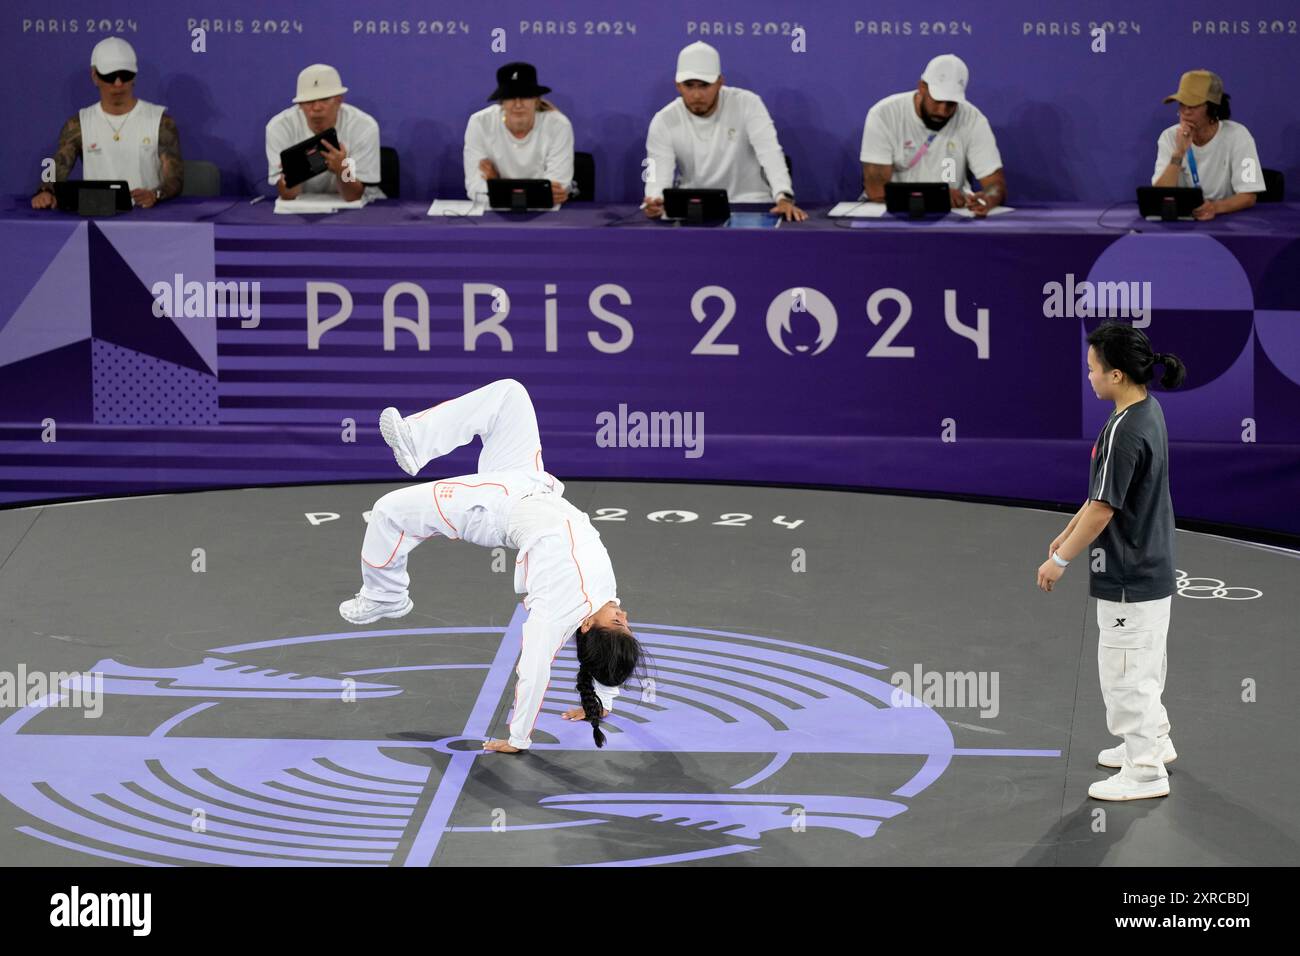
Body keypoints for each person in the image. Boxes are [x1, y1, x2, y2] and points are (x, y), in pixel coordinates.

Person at [338, 379, 648, 753]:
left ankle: (385, 595)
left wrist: (518, 739)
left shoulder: (555, 613)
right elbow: (611, 656)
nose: (624, 613)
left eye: (618, 622)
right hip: (531, 481)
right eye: (627, 622)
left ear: (585, 625)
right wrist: (602, 701)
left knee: (387, 511)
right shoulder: (604, 597)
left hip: (494, 510)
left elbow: (534, 672)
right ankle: (415, 440)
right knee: (510, 395)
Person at [1036, 322, 1187, 801]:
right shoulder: (1146, 410)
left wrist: (1060, 558)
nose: (1089, 376)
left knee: (1126, 675)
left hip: (1128, 575)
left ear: (1117, 374)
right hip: (1151, 568)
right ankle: (1154, 742)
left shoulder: (1124, 431)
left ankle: (1144, 770)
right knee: (1144, 665)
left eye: (1093, 369)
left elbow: (1103, 509)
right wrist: (1065, 531)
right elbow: (1101, 495)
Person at [642, 41, 806, 221]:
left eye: (704, 85)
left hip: (753, 205)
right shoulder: (663, 120)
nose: (697, 95)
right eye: (689, 85)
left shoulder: (748, 104)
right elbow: (657, 172)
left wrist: (783, 196)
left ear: (720, 82)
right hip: (693, 209)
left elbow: (770, 153)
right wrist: (655, 200)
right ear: (678, 86)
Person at [30, 37, 183, 210]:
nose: (118, 84)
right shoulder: (78, 124)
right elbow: (55, 165)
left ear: (134, 76)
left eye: (125, 75)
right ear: (95, 76)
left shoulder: (161, 121)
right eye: (110, 76)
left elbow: (175, 177)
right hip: (96, 215)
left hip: (147, 216)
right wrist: (45, 190)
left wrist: (155, 194)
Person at [859, 54, 1006, 216]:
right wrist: (936, 197)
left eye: (951, 104)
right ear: (922, 87)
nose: (942, 111)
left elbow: (995, 184)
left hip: (950, 216)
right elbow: (876, 191)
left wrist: (986, 199)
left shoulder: (973, 119)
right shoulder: (884, 114)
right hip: (891, 213)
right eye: (937, 100)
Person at [1152, 69, 1263, 220]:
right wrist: (1179, 153)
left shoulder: (1238, 135)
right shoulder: (1169, 137)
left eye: (1193, 105)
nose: (1185, 112)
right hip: (1184, 222)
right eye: (1182, 104)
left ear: (1212, 108)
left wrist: (1215, 208)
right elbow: (1159, 196)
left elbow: (1249, 196)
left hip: (1226, 219)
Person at [265, 64, 384, 202]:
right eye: (309, 101)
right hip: (304, 205)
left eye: (324, 99)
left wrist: (342, 170)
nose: (316, 108)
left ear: (339, 100)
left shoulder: (363, 126)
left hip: (356, 207)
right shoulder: (280, 128)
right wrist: (293, 174)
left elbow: (353, 196)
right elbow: (288, 195)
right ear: (299, 105)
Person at [463, 62, 575, 206]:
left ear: (536, 99)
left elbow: (557, 189)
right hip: (496, 217)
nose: (518, 104)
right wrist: (536, 195)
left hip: (546, 217)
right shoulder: (479, 123)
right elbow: (475, 189)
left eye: (525, 96)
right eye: (510, 97)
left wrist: (497, 183)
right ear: (502, 101)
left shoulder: (559, 125)